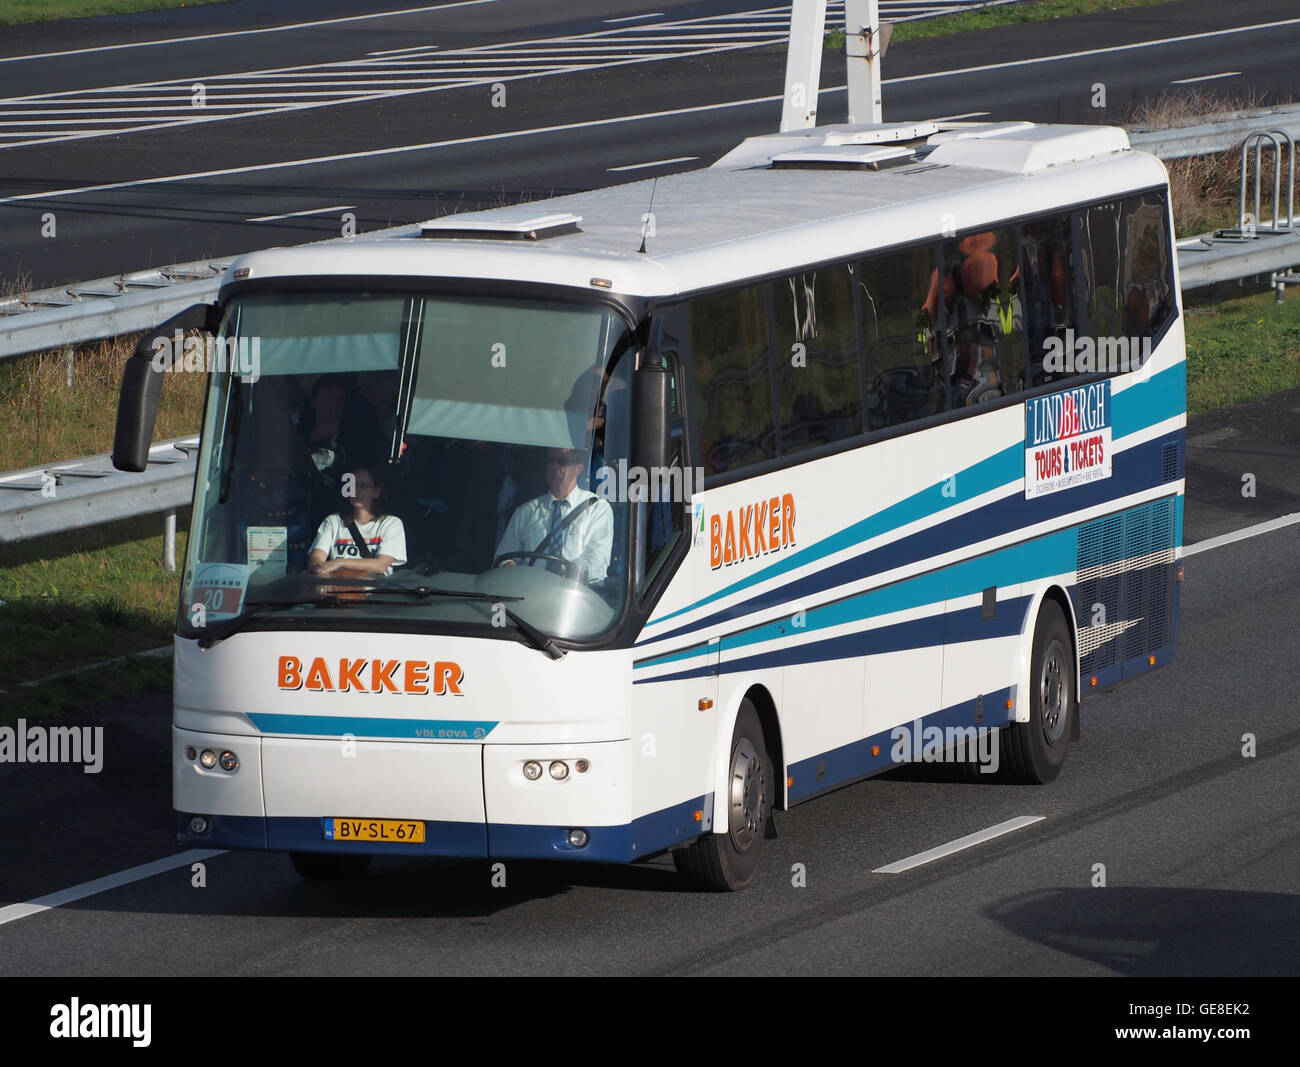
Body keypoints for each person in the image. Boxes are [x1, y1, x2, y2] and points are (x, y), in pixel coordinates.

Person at [494, 447, 613, 582]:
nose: (554, 466)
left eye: (562, 461)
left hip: (574, 596)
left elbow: (598, 561)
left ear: (579, 468)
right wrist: (510, 568)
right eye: (550, 461)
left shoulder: (596, 509)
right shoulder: (526, 512)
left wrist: (575, 574)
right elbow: (504, 557)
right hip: (530, 596)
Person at [308, 467, 406, 577]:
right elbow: (316, 557)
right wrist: (318, 568)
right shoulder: (333, 521)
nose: (357, 490)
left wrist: (339, 563)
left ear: (376, 492)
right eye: (352, 485)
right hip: (337, 590)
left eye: (364, 486)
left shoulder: (391, 523)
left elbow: (381, 565)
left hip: (376, 592)